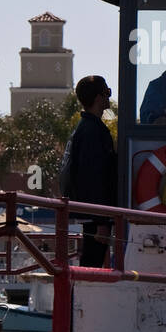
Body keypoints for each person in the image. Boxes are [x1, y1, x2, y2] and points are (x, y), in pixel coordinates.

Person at [61, 75, 117, 268]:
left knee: (91, 262)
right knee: (91, 265)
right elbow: (93, 177)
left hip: (91, 212)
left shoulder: (85, 128)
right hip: (96, 215)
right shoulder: (92, 132)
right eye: (107, 92)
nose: (109, 97)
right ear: (98, 97)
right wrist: (101, 220)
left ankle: (76, 297)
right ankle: (76, 299)